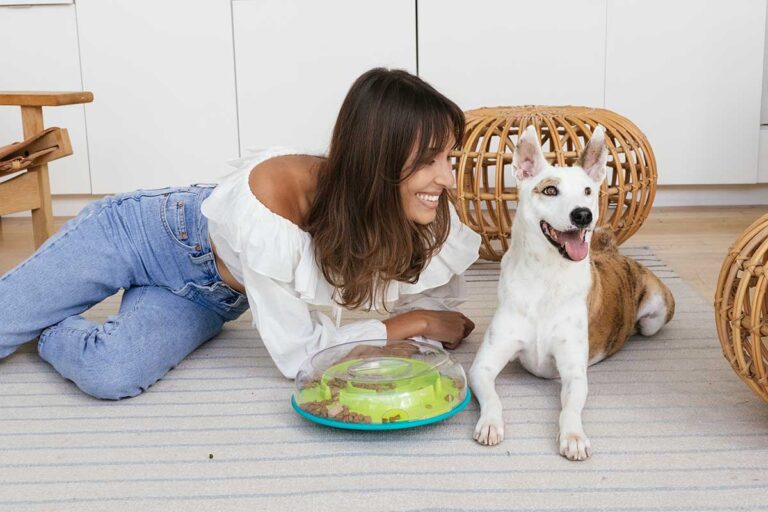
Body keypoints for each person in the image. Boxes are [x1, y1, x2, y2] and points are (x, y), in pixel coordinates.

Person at [0, 68, 481, 400]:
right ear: (376, 161)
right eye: (429, 160)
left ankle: (46, 321)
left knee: (112, 373)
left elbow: (440, 297)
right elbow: (301, 357)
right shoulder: (275, 197)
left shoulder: (424, 203)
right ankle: (37, 304)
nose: (446, 177)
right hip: (141, 233)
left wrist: (430, 329)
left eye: (449, 158)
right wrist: (413, 323)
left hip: (209, 297)